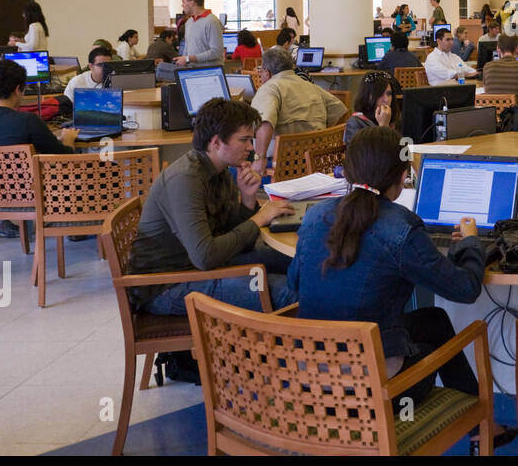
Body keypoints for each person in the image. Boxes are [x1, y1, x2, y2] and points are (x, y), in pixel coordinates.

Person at [289, 126, 515, 447]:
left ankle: (483, 428)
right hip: (371, 395)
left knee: (433, 321)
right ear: (402, 176)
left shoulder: (314, 217)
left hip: (309, 382)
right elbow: (465, 289)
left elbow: (295, 287)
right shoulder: (401, 228)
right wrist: (472, 244)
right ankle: (478, 423)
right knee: (438, 336)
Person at [130, 98, 296, 322]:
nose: (251, 148)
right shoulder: (185, 179)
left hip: (196, 267)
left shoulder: (222, 171)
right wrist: (258, 218)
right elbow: (205, 257)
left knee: (299, 261)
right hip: (164, 286)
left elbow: (237, 245)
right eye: (245, 140)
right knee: (291, 293)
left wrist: (247, 199)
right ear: (216, 142)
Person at [0, 59, 78, 237]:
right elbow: (64, 158)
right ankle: (78, 225)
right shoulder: (27, 121)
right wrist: (68, 140)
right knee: (93, 169)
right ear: (17, 89)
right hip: (25, 195)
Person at [249, 47, 348, 177]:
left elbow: (265, 124)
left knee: (234, 168)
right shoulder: (312, 87)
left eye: (260, 71)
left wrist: (259, 159)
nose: (260, 75)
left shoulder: (269, 88)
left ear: (267, 72)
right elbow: (342, 112)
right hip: (314, 166)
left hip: (280, 169)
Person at [481, 32, 518, 106]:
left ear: (498, 49)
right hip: (517, 116)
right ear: (516, 49)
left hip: (493, 116)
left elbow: (486, 91)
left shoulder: (487, 67)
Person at [175, 0, 225, 66]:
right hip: (192, 71)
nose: (182, 5)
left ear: (192, 3)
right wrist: (183, 59)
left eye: (183, 2)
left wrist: (188, 58)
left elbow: (216, 52)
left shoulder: (212, 21)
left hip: (209, 73)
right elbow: (187, 48)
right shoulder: (189, 22)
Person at [345, 71, 396, 144]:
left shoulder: (394, 117)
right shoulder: (356, 122)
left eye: (389, 94)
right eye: (380, 94)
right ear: (368, 96)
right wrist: (384, 126)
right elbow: (367, 154)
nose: (386, 99)